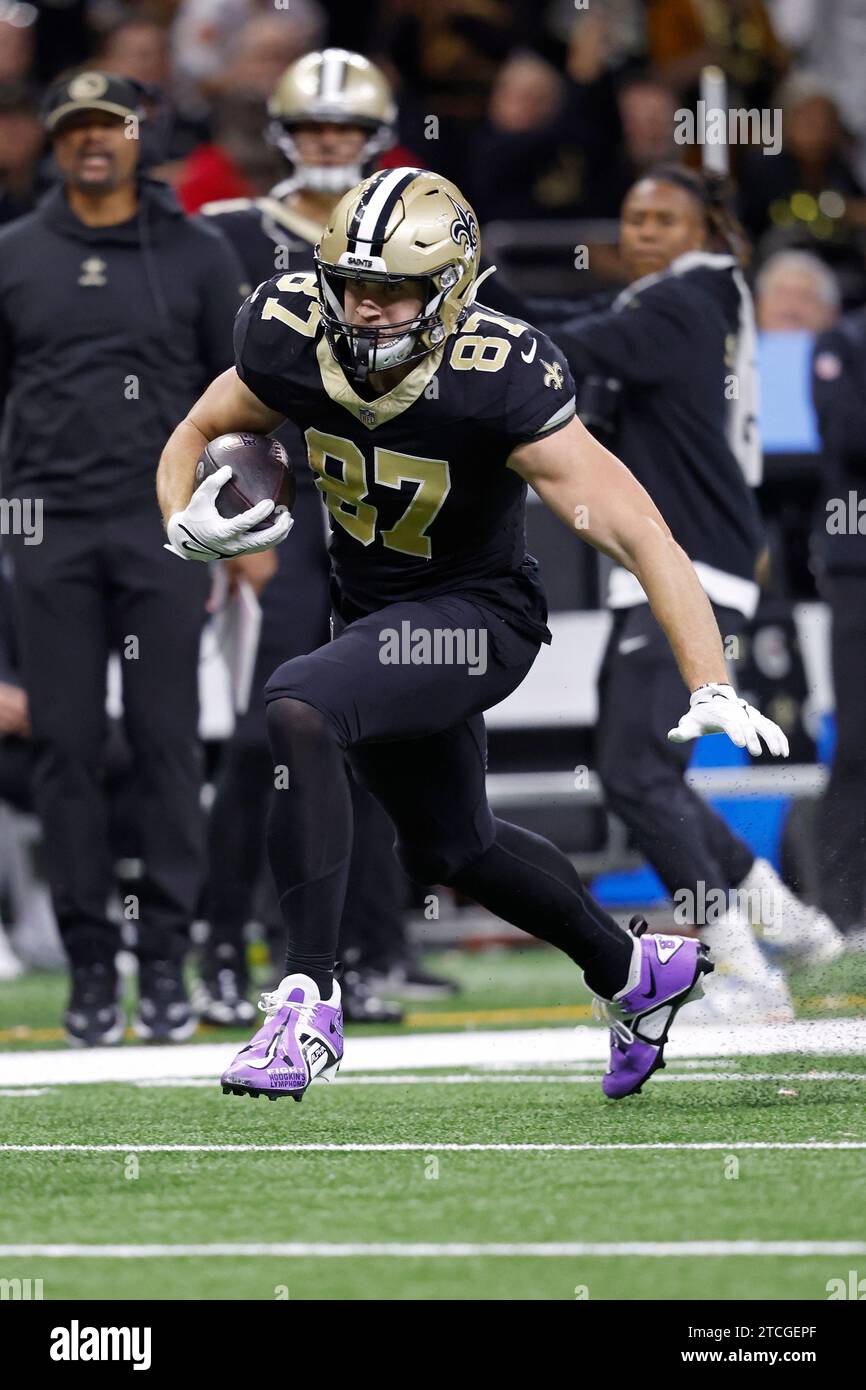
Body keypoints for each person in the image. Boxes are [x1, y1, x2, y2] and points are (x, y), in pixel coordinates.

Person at [157, 165, 790, 1103]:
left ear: (448, 291)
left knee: (296, 705)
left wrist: (710, 680)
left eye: (393, 291)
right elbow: (201, 424)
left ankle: (306, 1000)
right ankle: (632, 973)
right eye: (352, 286)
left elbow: (637, 529)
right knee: (453, 849)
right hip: (370, 613)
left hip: (475, 620)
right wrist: (181, 520)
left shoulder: (497, 375)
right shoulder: (288, 329)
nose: (366, 310)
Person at [547, 165, 844, 1021]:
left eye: (663, 218)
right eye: (634, 215)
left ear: (706, 230)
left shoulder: (682, 300)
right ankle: (784, 919)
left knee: (636, 771)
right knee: (645, 770)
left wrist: (467, 317)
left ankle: (745, 975)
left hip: (687, 566)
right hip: (683, 561)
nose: (642, 230)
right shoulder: (709, 300)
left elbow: (578, 340)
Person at [197, 50, 452, 1026]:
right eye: (314, 132)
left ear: (372, 135)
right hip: (289, 497)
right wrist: (237, 510)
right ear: (284, 138)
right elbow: (207, 378)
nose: (330, 146)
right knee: (274, 725)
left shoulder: (415, 232)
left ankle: (360, 950)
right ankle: (225, 942)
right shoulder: (230, 233)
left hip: (384, 498)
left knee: (378, 724)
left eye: (345, 132)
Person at [0, 71, 247, 1046]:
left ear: (140, 135)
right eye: (75, 128)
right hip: (46, 528)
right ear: (53, 143)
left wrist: (241, 522)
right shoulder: (13, 255)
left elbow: (240, 394)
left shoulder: (197, 252)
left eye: (109, 125)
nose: (92, 142)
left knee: (166, 743)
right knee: (63, 747)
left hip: (165, 527)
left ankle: (167, 963)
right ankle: (93, 967)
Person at [811, 304, 866, 940]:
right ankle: (841, 908)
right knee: (859, 741)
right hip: (858, 570)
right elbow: (849, 433)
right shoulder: (842, 339)